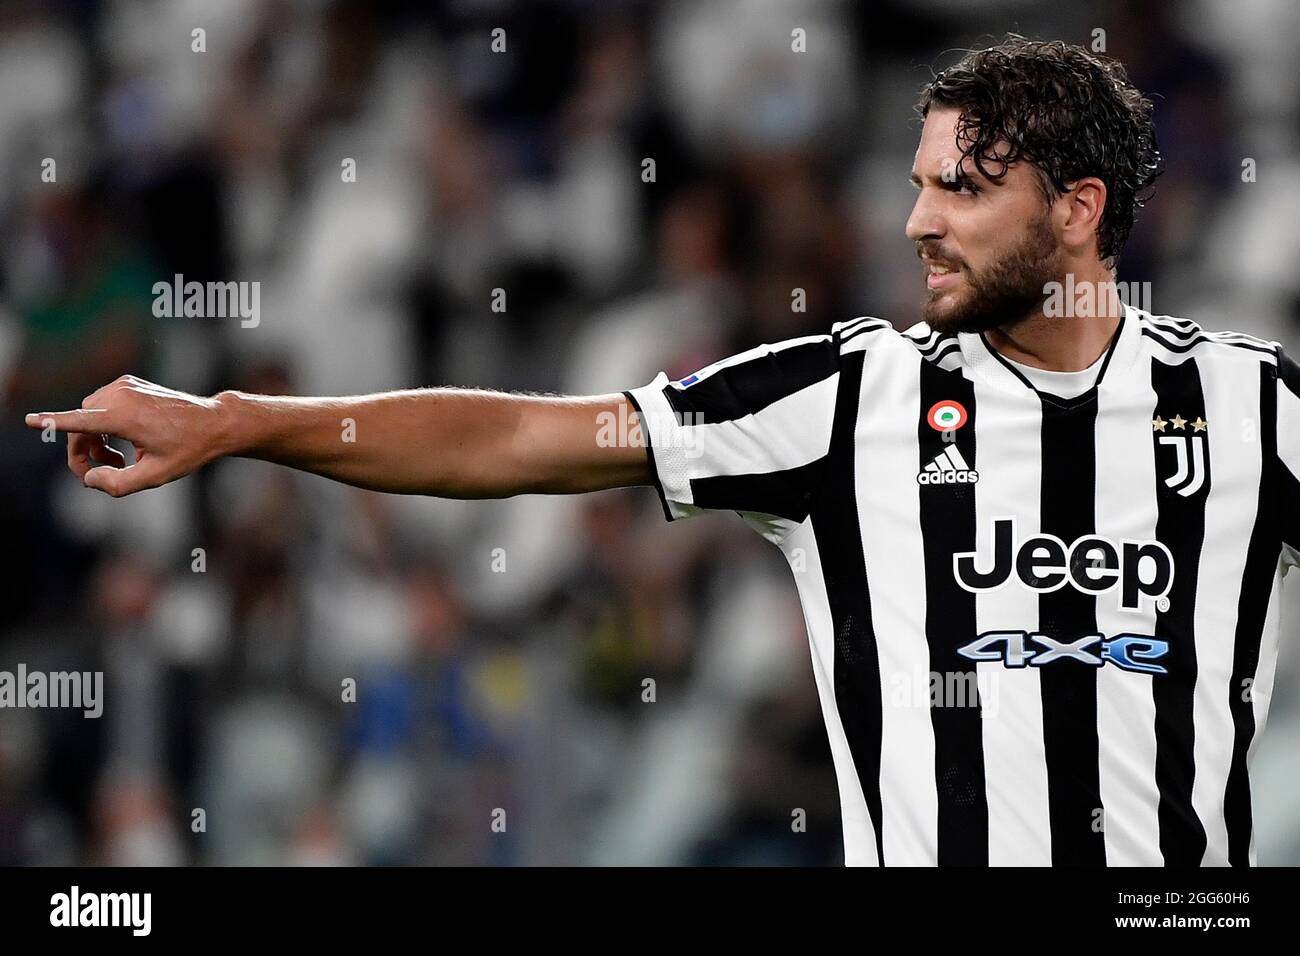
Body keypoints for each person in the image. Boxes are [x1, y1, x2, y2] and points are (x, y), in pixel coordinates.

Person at [26, 36, 1299, 867]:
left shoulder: (1258, 410)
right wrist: (240, 421)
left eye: (961, 187)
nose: (915, 219)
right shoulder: (847, 394)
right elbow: (521, 435)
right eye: (917, 181)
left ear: (1079, 210)